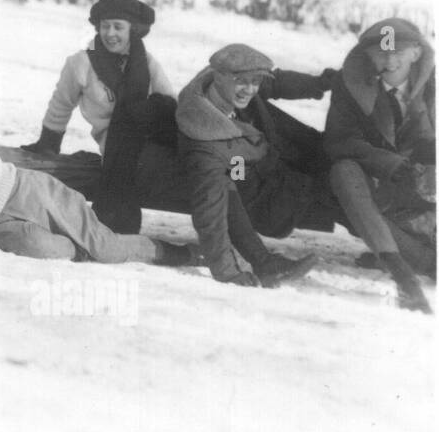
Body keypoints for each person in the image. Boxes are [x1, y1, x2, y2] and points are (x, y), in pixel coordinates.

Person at [0, 77, 193, 265]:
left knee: (104, 248)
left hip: (25, 192)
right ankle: (79, 247)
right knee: (51, 252)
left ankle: (168, 252)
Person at [175, 44, 337, 288]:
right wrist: (227, 273)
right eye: (242, 81)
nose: (250, 89)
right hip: (260, 191)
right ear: (219, 76)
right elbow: (210, 214)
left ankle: (265, 263)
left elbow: (275, 82)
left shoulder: (219, 86)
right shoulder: (205, 142)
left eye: (255, 81)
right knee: (334, 194)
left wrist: (320, 84)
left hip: (261, 159)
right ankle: (265, 263)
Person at [20, 0, 181, 233]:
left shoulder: (146, 62)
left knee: (226, 171)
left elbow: (171, 105)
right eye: (105, 26)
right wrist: (48, 144)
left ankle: (236, 176)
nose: (110, 34)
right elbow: (61, 104)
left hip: (153, 143)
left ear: (132, 30)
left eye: (118, 27)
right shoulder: (81, 63)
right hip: (115, 148)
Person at [324, 18, 435, 313]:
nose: (390, 60)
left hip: (419, 183)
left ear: (417, 53)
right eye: (381, 52)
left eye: (398, 51)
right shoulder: (351, 84)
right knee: (343, 171)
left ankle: (417, 257)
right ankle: (403, 274)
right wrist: (391, 164)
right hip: (377, 183)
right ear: (368, 56)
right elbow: (339, 140)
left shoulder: (429, 82)